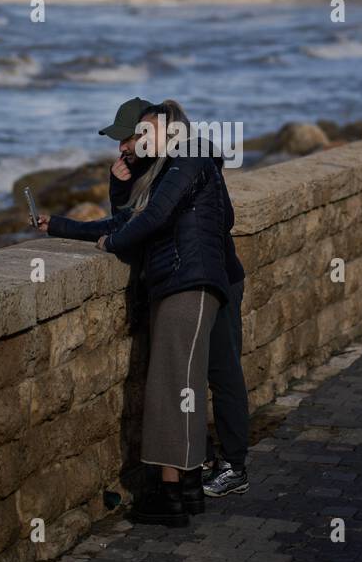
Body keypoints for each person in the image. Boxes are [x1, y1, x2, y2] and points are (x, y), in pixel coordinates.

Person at [36, 100, 244, 526]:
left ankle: (181, 491)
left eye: (145, 134)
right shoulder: (165, 171)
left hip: (195, 282)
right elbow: (127, 221)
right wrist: (59, 224)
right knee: (182, 383)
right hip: (186, 282)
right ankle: (186, 489)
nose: (134, 144)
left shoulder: (192, 155)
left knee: (181, 384)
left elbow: (149, 220)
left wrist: (114, 244)